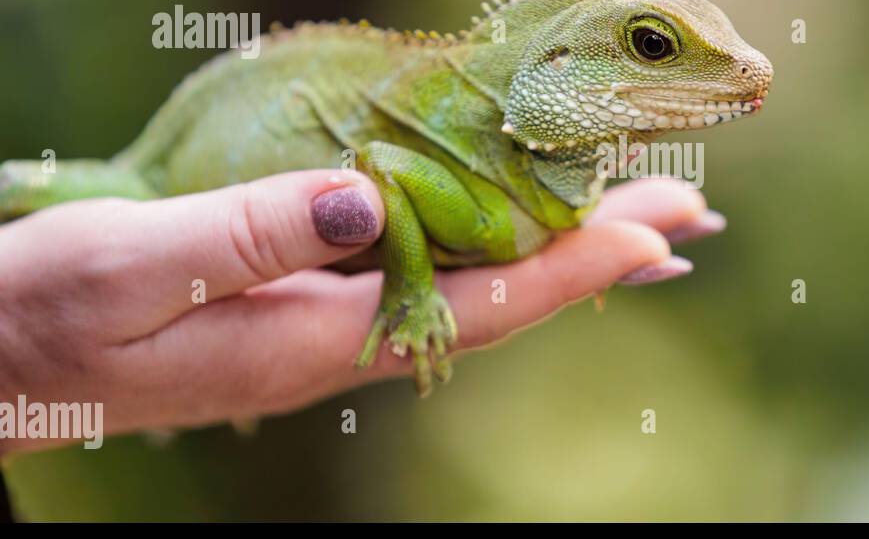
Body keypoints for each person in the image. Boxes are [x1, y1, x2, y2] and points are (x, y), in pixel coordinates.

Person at [0, 171, 723, 457]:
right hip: (149, 184)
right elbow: (382, 163)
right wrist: (409, 292)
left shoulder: (513, 184)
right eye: (652, 49)